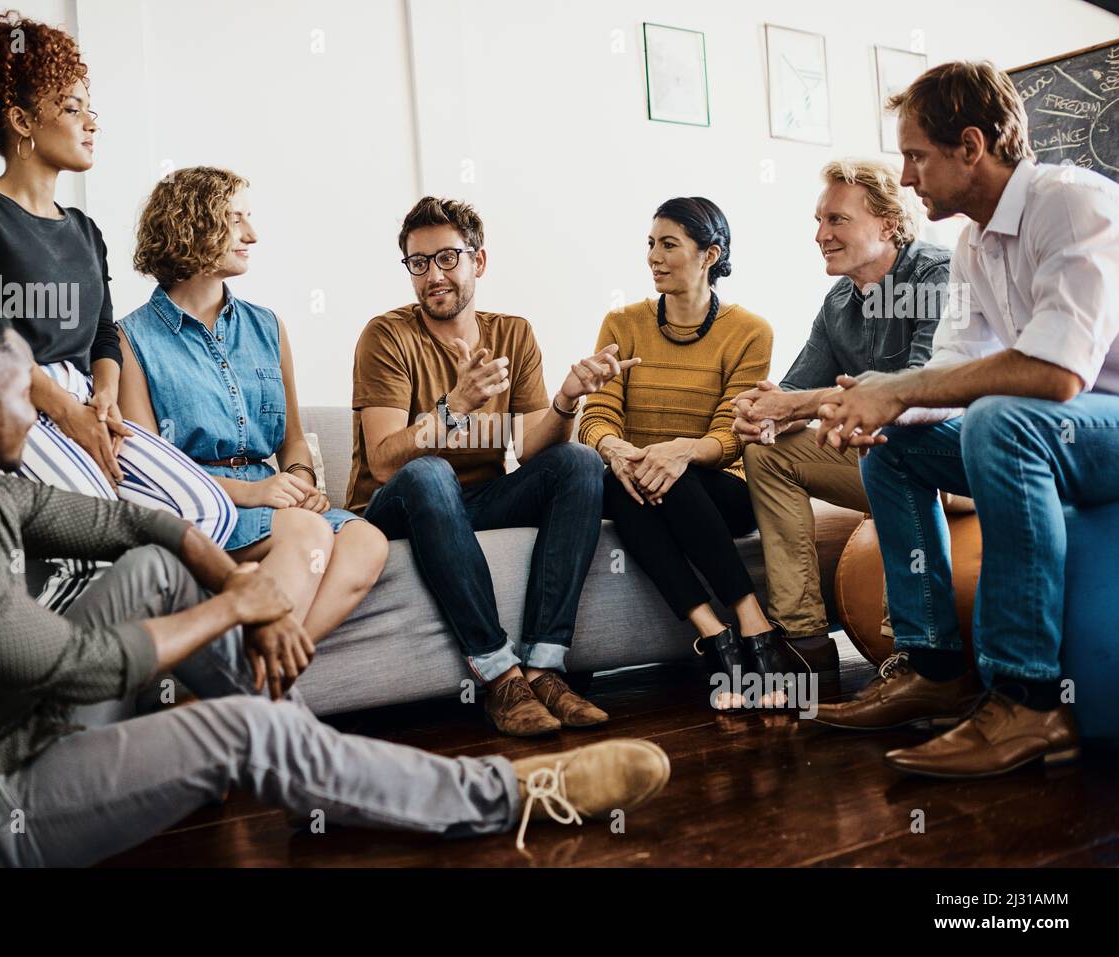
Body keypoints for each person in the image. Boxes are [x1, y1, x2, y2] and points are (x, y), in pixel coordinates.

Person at [0, 301, 670, 867]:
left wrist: (244, 593)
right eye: (27, 399)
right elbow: (72, 667)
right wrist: (236, 603)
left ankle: (308, 764)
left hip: (14, 737)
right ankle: (509, 792)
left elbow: (132, 522)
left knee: (156, 566)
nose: (42, 414)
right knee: (238, 733)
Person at [812, 61, 1119, 778]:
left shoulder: (1072, 206)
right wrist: (875, 406)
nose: (909, 176)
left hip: (1098, 423)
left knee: (1000, 421)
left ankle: (1028, 696)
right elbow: (949, 370)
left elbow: (1056, 372)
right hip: (1058, 430)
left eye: (917, 155)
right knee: (894, 443)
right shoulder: (976, 243)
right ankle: (936, 665)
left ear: (972, 146)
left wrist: (899, 387)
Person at [0, 12, 235, 612]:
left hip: (84, 399)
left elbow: (103, 337)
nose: (92, 122)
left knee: (207, 511)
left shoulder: (85, 231)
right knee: (95, 544)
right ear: (22, 121)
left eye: (90, 108)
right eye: (72, 108)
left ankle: (137, 663)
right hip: (13, 399)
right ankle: (42, 670)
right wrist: (67, 411)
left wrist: (103, 399)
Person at [347, 196, 634, 736]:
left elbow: (529, 449)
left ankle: (545, 668)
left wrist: (566, 401)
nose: (433, 274)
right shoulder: (386, 336)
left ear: (478, 262)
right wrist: (453, 407)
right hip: (395, 508)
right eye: (419, 262)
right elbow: (385, 462)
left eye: (447, 258)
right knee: (430, 473)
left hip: (473, 505)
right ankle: (501, 678)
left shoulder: (514, 335)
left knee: (576, 461)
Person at [118, 167, 389, 646]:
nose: (252, 235)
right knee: (307, 534)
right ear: (192, 226)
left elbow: (292, 439)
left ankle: (257, 683)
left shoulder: (267, 327)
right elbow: (145, 468)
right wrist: (251, 493)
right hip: (198, 506)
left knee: (367, 541)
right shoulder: (130, 338)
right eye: (235, 219)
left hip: (276, 500)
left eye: (250, 218)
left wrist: (302, 482)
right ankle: (256, 694)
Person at [733, 160, 950, 673]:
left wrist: (797, 405)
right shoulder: (838, 303)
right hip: (879, 459)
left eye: (836, 220)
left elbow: (922, 389)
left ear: (888, 224)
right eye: (818, 221)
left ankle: (915, 652)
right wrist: (762, 413)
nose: (820, 235)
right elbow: (794, 390)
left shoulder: (933, 274)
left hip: (948, 458)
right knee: (765, 452)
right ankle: (805, 642)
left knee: (895, 438)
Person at [581, 197, 792, 710]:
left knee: (669, 477)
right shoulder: (622, 323)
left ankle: (747, 624)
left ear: (709, 254)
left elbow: (732, 434)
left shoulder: (749, 330)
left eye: (669, 244)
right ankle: (721, 634)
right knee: (621, 481)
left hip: (721, 486)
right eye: (650, 244)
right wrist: (617, 449)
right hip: (640, 481)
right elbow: (597, 416)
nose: (653, 256)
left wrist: (680, 452)